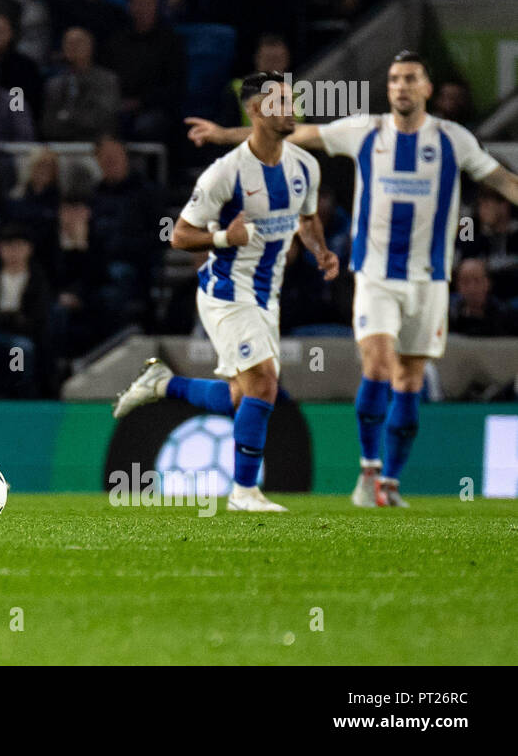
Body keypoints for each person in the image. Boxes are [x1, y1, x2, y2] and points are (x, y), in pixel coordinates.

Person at [188, 51, 518, 507]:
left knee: (409, 381)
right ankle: (367, 472)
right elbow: (294, 133)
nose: (401, 86)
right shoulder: (366, 130)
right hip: (375, 274)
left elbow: (500, 178)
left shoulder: (452, 139)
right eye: (395, 79)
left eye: (411, 79)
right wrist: (226, 134)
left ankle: (391, 482)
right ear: (389, 89)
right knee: (378, 365)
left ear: (426, 89)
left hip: (429, 279)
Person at [116, 72, 338, 512]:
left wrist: (321, 252)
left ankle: (165, 384)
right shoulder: (226, 172)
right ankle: (244, 493)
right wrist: (223, 240)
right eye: (277, 102)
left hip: (266, 295)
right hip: (225, 289)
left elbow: (308, 219)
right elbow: (180, 236)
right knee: (264, 385)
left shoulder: (304, 167)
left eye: (290, 100)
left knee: (242, 394)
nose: (289, 108)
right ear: (255, 111)